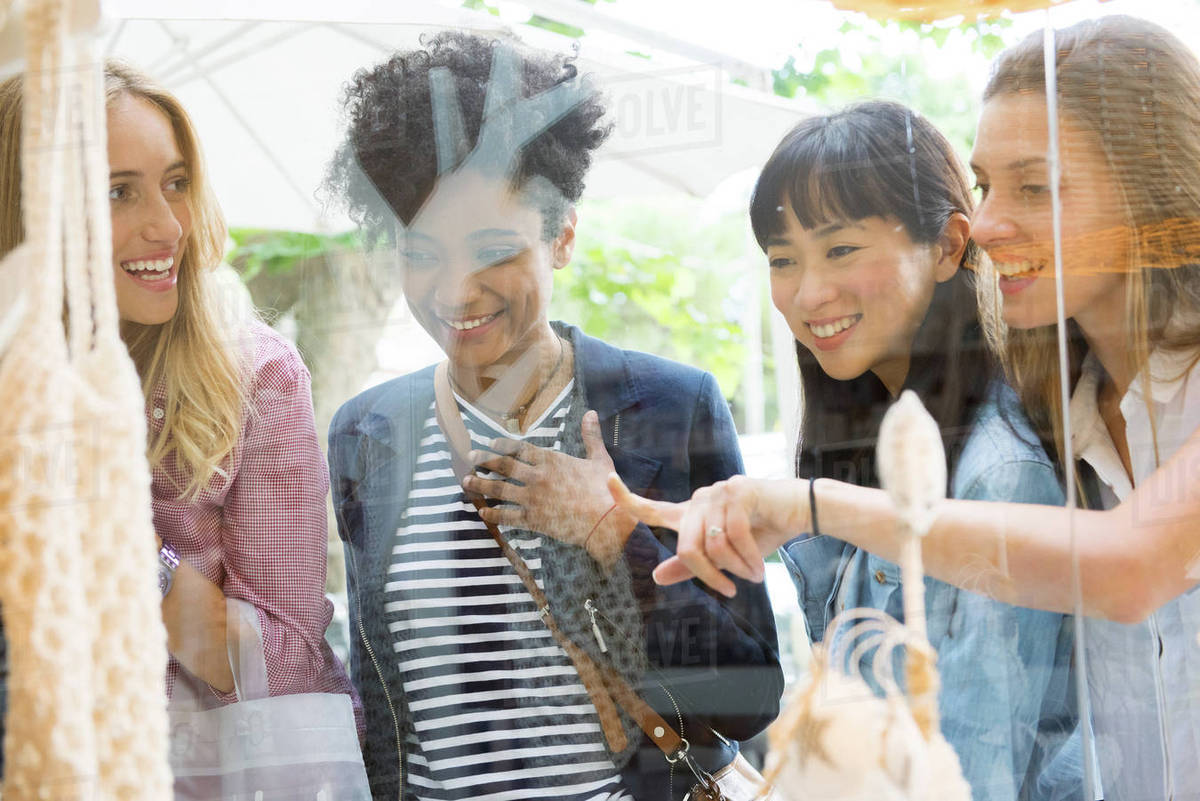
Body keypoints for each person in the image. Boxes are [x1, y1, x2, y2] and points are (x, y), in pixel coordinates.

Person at [609, 15, 1200, 800]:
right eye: (988, 184)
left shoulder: (1010, 456)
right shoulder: (1073, 409)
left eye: (1035, 185)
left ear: (1150, 189)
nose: (988, 223)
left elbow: (1128, 569)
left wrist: (811, 505)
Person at [324, 31, 783, 801]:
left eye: (494, 248)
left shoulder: (667, 407)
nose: (457, 290)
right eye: (421, 251)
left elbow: (745, 699)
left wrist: (614, 538)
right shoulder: (366, 436)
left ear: (562, 234)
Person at [0, 60, 359, 759]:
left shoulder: (255, 375)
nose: (167, 226)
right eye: (117, 193)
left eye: (176, 184)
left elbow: (285, 665)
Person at [744, 100, 1078, 800]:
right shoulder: (874, 435)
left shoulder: (995, 469)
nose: (808, 292)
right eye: (783, 259)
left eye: (841, 249)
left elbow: (972, 773)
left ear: (951, 246)